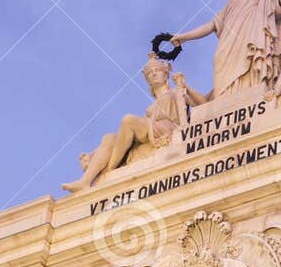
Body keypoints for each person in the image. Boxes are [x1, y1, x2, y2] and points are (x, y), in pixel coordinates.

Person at [62, 56, 205, 192]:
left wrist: (185, 86)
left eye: (157, 71)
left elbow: (203, 103)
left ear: (165, 74)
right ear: (147, 79)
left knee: (128, 120)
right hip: (151, 129)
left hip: (167, 128)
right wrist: (92, 154)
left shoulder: (176, 92)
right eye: (150, 73)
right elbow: (127, 135)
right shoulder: (151, 108)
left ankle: (108, 170)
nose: (154, 74)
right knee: (109, 137)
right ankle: (85, 181)